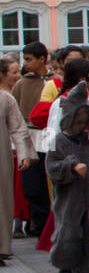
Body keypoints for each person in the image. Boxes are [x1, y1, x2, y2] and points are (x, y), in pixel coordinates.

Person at [44, 81, 89, 273]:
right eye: (76, 122)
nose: (80, 127)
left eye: (83, 123)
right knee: (68, 231)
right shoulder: (55, 142)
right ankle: (65, 263)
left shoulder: (88, 139)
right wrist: (71, 166)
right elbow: (51, 167)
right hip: (68, 196)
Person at [14, 42, 51, 238]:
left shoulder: (54, 81)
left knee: (48, 184)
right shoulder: (22, 84)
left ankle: (44, 225)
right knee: (31, 186)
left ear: (42, 59)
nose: (26, 64)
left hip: (49, 138)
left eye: (29, 59)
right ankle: (38, 221)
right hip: (30, 137)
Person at [0, 65, 35, 265]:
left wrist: (24, 154)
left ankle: (2, 247)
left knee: (3, 199)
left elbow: (18, 128)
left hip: (2, 155)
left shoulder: (6, 99)